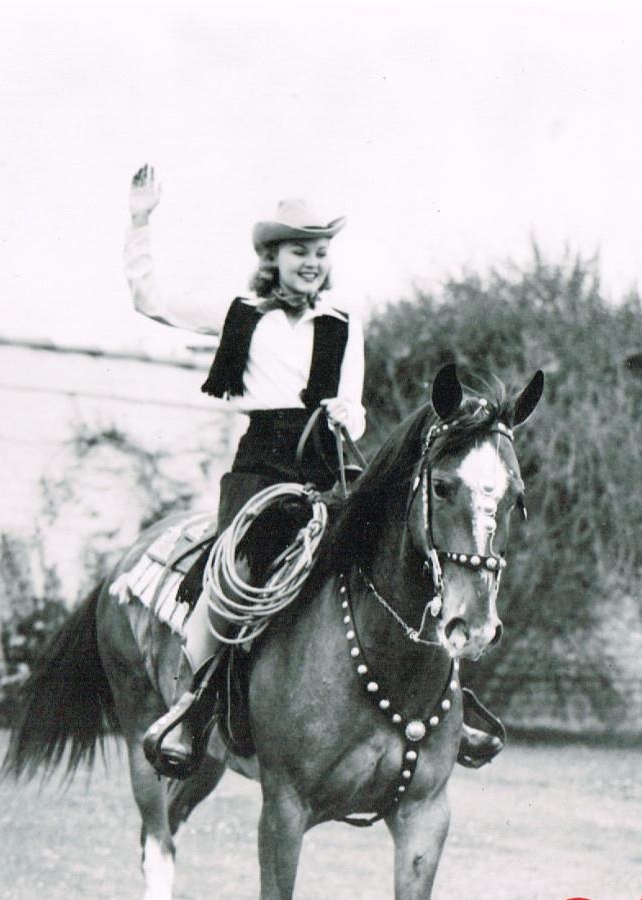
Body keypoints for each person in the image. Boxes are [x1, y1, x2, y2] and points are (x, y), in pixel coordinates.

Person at [124, 164, 502, 778]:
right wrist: (140, 220)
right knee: (232, 579)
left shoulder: (343, 319)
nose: (312, 262)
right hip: (260, 470)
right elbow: (150, 301)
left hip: (328, 467)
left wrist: (347, 413)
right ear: (272, 257)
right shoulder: (240, 312)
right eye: (300, 251)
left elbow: (354, 404)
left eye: (321, 252)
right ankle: (196, 705)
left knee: (400, 559)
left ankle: (447, 700)